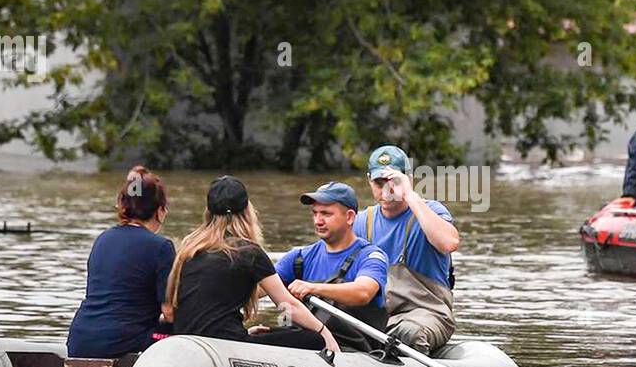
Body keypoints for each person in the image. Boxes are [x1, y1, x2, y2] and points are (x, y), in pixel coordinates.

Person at [168, 175, 341, 354]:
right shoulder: (248, 252)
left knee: (273, 330)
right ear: (247, 211)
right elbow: (288, 305)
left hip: (188, 340)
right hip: (226, 344)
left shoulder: (190, 247)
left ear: (208, 211)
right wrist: (325, 334)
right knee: (312, 339)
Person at [354, 144, 458, 354]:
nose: (386, 190)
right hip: (377, 319)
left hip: (427, 314)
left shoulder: (431, 211)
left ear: (408, 179)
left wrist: (410, 195)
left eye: (393, 182)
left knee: (408, 333)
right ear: (369, 181)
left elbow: (449, 243)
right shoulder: (361, 222)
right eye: (379, 182)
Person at [67, 166, 175, 359]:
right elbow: (169, 312)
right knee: (180, 331)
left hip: (79, 338)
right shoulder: (161, 247)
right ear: (159, 211)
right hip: (122, 342)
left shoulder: (102, 239)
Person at [275, 181, 390, 352]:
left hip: (354, 350)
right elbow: (261, 286)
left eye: (326, 214)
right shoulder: (299, 257)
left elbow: (363, 292)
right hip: (306, 342)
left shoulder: (371, 256)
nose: (318, 221)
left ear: (350, 217)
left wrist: (313, 288)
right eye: (315, 213)